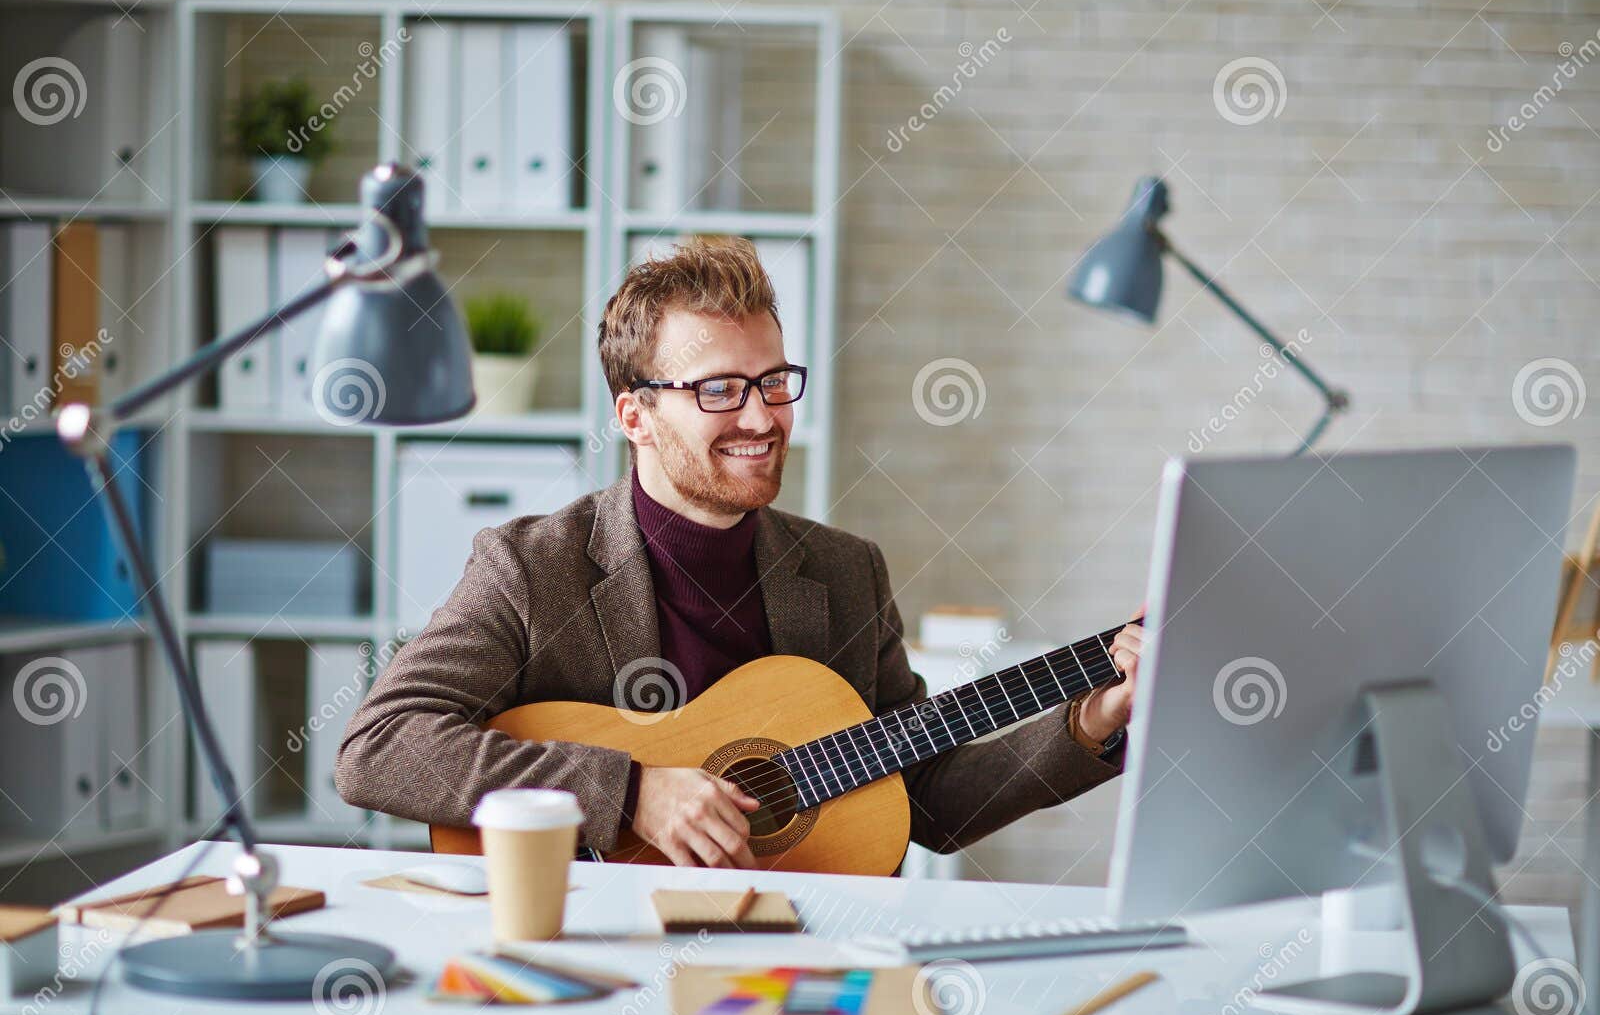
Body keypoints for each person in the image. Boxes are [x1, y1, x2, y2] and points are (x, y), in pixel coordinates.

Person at [336, 236, 1144, 870]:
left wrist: (1093, 719)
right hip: (592, 944)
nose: (762, 418)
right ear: (635, 415)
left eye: (774, 381)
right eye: (719, 389)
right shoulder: (530, 567)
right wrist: (629, 795)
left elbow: (925, 801)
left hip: (796, 953)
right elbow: (378, 748)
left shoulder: (845, 572)